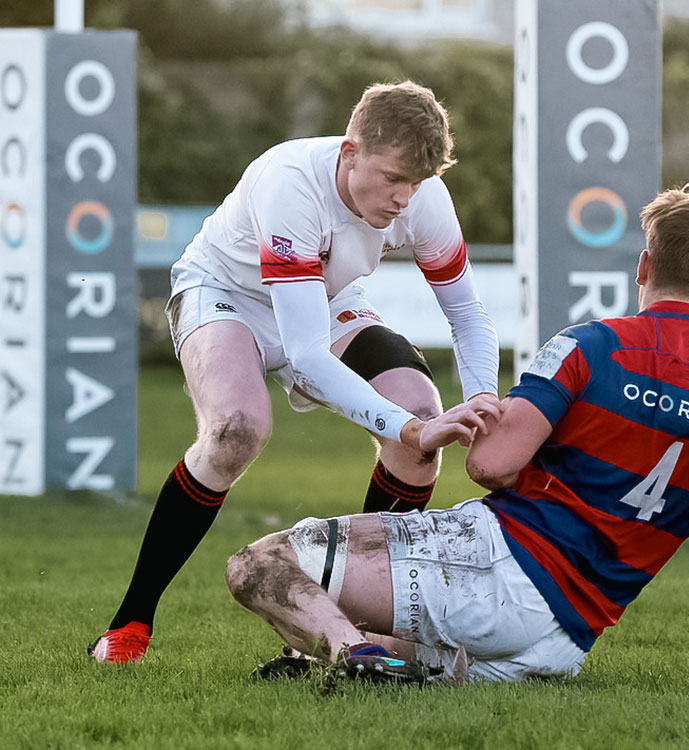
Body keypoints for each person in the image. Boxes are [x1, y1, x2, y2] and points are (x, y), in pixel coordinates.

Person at [224, 186, 689, 685]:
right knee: (319, 620)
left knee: (263, 567)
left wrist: (501, 429)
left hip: (500, 570)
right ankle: (397, 667)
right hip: (566, 639)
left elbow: (489, 465)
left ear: (645, 267)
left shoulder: (591, 346)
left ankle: (350, 657)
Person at [89, 81, 502, 665]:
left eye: (416, 182)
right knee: (236, 429)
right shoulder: (291, 182)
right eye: (392, 179)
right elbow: (307, 357)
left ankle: (351, 633)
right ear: (350, 150)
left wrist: (481, 400)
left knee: (421, 413)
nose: (404, 198)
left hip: (322, 296)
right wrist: (406, 430)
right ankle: (130, 623)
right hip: (224, 292)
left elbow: (466, 313)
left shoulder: (424, 196)